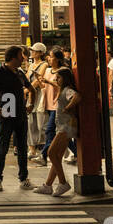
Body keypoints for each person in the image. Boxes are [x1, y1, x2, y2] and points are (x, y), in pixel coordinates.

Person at [0, 45, 33, 191]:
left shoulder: (20, 73)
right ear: (13, 57)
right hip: (7, 114)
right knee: (3, 148)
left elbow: (32, 89)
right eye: (21, 55)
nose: (23, 58)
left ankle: (23, 179)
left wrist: (31, 104)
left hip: (21, 115)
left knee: (22, 148)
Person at [33, 68, 81, 197]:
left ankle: (63, 182)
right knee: (57, 157)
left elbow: (77, 97)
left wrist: (67, 107)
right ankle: (48, 185)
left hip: (66, 128)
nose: (56, 79)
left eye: (58, 77)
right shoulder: (62, 89)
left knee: (51, 153)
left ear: (65, 78)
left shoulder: (67, 90)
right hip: (63, 127)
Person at [26, 42, 50, 158]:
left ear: (40, 53)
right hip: (31, 95)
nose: (32, 52)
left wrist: (26, 90)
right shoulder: (30, 65)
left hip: (40, 95)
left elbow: (37, 80)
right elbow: (26, 78)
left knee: (42, 123)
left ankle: (45, 149)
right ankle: (32, 149)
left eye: (34, 51)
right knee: (30, 122)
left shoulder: (44, 64)